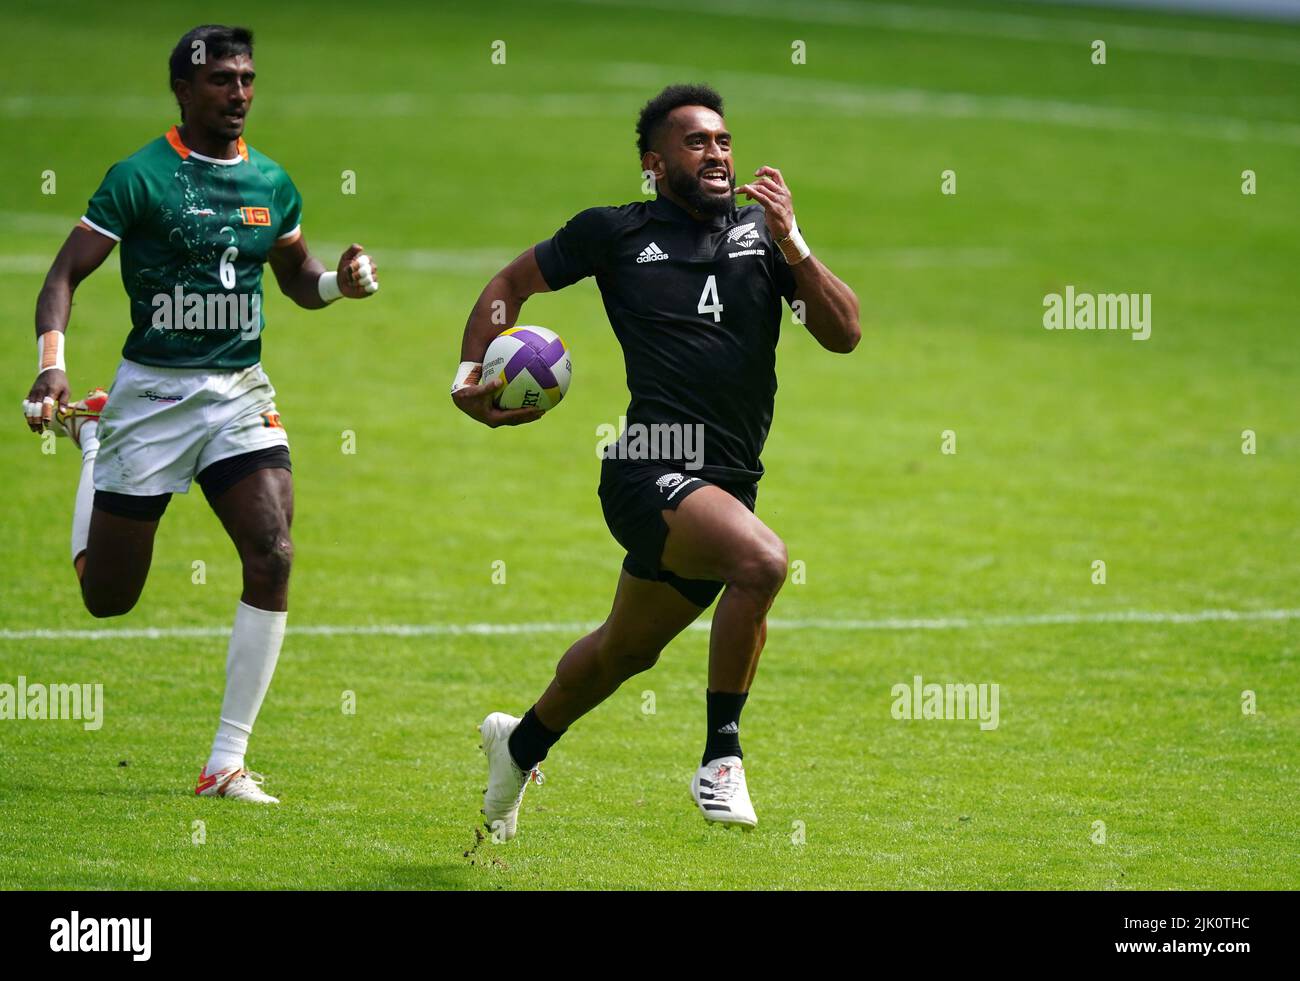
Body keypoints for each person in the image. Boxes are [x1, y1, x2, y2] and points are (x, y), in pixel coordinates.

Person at [452, 84, 860, 838]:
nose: (717, 154)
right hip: (649, 465)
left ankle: (519, 745)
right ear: (654, 163)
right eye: (697, 142)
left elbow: (844, 334)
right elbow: (512, 284)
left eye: (724, 141)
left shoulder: (764, 238)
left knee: (623, 652)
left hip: (728, 482)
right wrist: (466, 375)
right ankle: (720, 759)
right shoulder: (613, 233)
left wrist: (795, 240)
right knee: (764, 564)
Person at [21, 24, 379, 803]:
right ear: (184, 91)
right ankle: (92, 440)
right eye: (222, 79)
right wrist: (53, 364)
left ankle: (225, 761)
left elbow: (296, 278)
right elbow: (62, 275)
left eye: (247, 78)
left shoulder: (271, 183)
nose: (239, 93)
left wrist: (338, 286)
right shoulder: (141, 177)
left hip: (237, 393)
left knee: (273, 550)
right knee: (108, 598)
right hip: (149, 398)